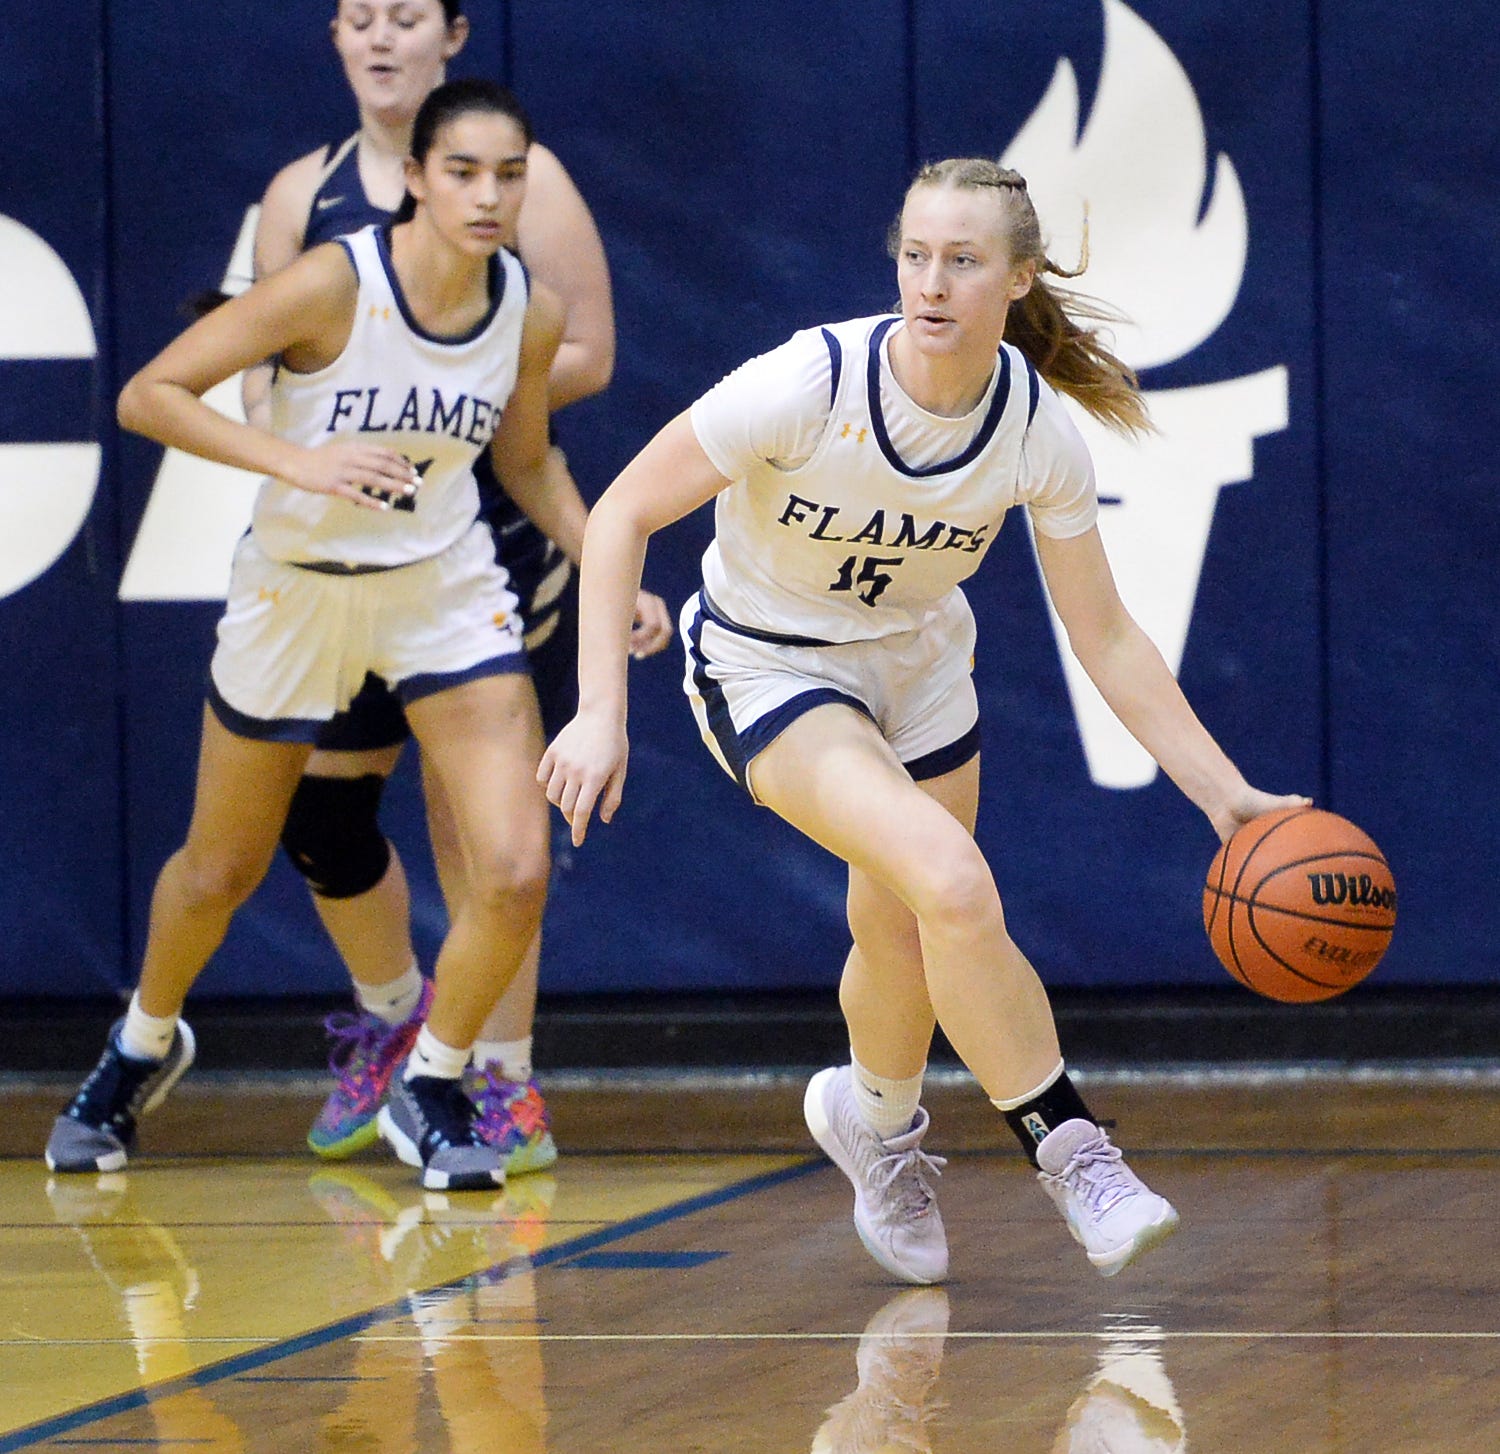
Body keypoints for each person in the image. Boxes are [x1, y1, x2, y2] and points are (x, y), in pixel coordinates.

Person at [538, 157, 1311, 1278]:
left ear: (1018, 277)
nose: (932, 281)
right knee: (949, 879)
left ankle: (874, 1119)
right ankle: (1074, 1148)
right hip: (767, 663)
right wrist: (600, 709)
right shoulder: (811, 381)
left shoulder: (1036, 429)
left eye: (962, 259)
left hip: (920, 667)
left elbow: (1105, 635)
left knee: (902, 925)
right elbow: (620, 515)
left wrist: (1220, 787)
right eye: (914, 254)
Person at [47, 78, 587, 1191]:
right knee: (220, 868)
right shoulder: (335, 282)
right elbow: (150, 394)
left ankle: (430, 1078)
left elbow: (526, 459)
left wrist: (604, 560)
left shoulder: (527, 308)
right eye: (464, 172)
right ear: (418, 180)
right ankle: (141, 1042)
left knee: (517, 864)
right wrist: (300, 459)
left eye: (510, 174)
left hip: (443, 585)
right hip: (296, 588)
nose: (490, 196)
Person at [245, 0, 671, 1175]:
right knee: (319, 813)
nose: (381, 39)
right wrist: (328, 419)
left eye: (405, 17)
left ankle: (502, 1081)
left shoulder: (529, 185)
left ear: (454, 36)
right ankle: (395, 1025)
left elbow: (578, 348)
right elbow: (260, 374)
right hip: (344, 546)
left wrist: (452, 378)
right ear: (334, 36)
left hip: (482, 534)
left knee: (479, 828)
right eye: (358, 18)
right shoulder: (304, 196)